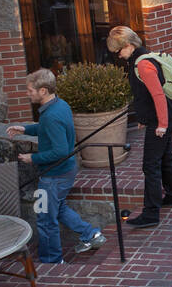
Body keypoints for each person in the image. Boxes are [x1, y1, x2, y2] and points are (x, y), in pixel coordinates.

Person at [6, 69, 105, 262]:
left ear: (43, 91)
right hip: (64, 172)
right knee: (58, 209)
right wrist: (25, 128)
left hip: (53, 176)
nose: (28, 94)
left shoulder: (50, 115)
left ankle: (52, 259)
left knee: (44, 218)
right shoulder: (60, 105)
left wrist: (32, 158)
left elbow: (60, 151)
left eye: (30, 91)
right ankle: (91, 234)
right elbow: (48, 130)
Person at [108, 25, 172, 229]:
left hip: (162, 121)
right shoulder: (142, 59)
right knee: (165, 158)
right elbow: (145, 96)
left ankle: (151, 213)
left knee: (150, 165)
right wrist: (145, 117)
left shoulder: (142, 64)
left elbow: (158, 95)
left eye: (119, 51)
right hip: (161, 119)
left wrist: (162, 124)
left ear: (129, 45)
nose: (119, 56)